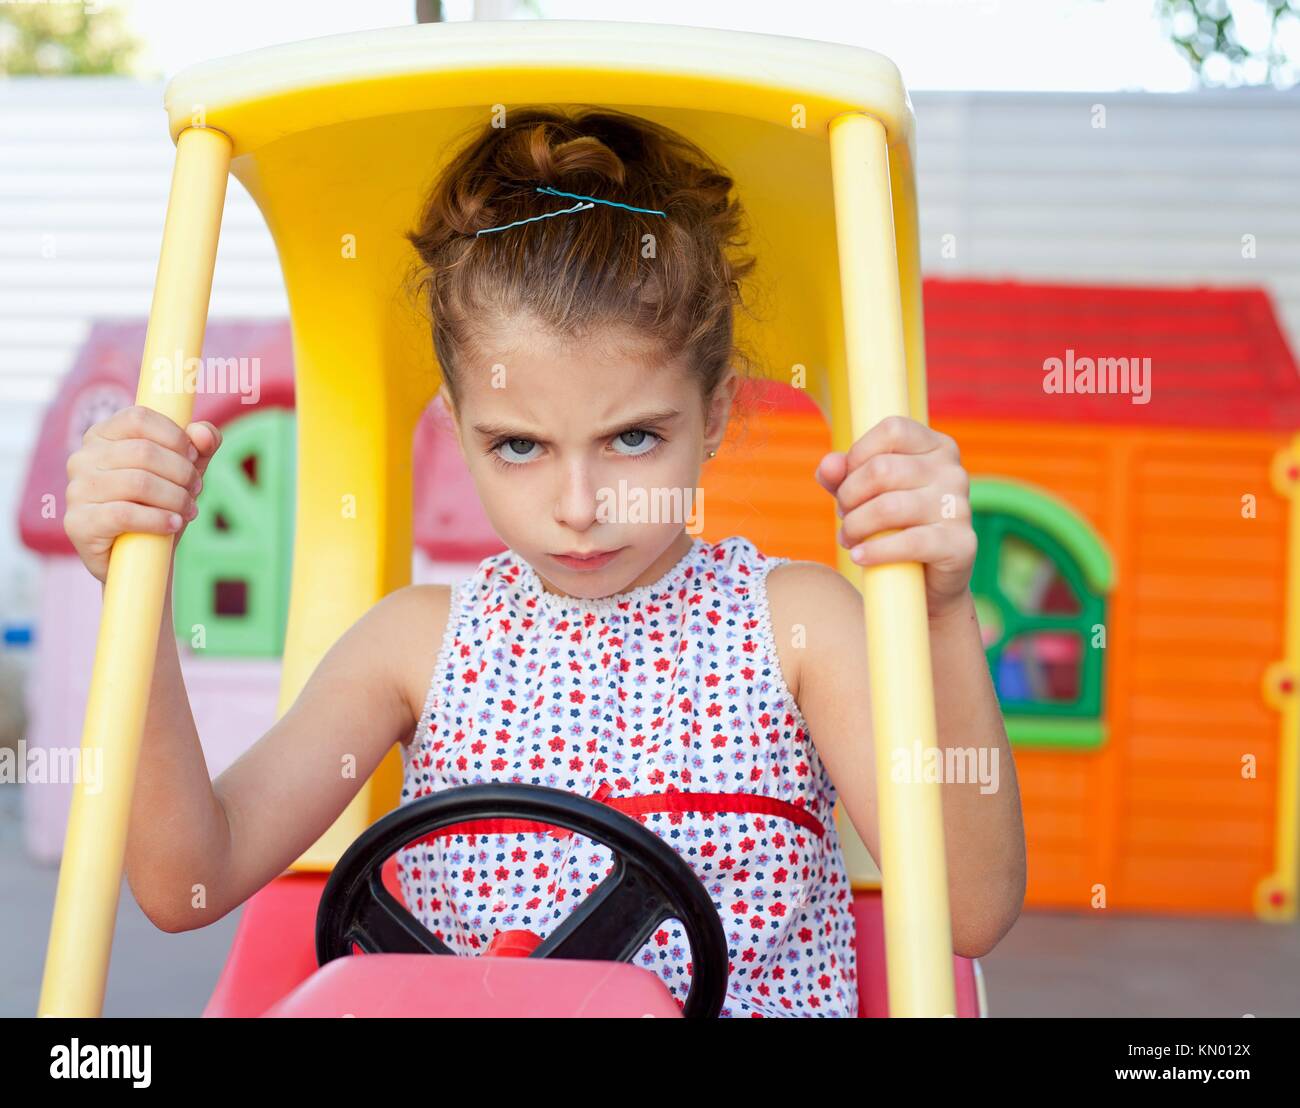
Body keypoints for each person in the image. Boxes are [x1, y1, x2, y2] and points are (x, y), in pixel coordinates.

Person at [63, 107, 1025, 1017]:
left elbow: (969, 912)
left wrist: (940, 614)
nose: (578, 509)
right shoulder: (418, 644)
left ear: (719, 410)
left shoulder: (796, 625)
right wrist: (135, 590)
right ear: (457, 420)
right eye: (519, 446)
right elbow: (190, 879)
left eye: (634, 438)